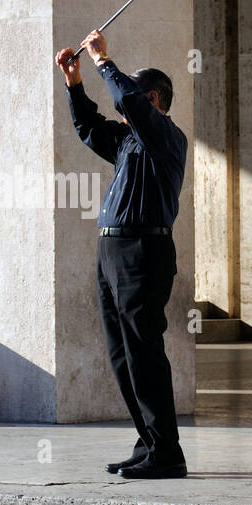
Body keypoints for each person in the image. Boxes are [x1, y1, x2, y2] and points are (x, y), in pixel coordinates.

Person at [54, 30, 188, 479]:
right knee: (121, 354)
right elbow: (89, 128)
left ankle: (167, 452)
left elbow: (127, 102)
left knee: (144, 350)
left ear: (151, 97)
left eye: (130, 88)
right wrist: (75, 82)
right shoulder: (130, 142)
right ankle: (148, 440)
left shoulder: (166, 137)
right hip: (111, 252)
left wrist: (103, 61)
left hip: (142, 251)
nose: (122, 95)